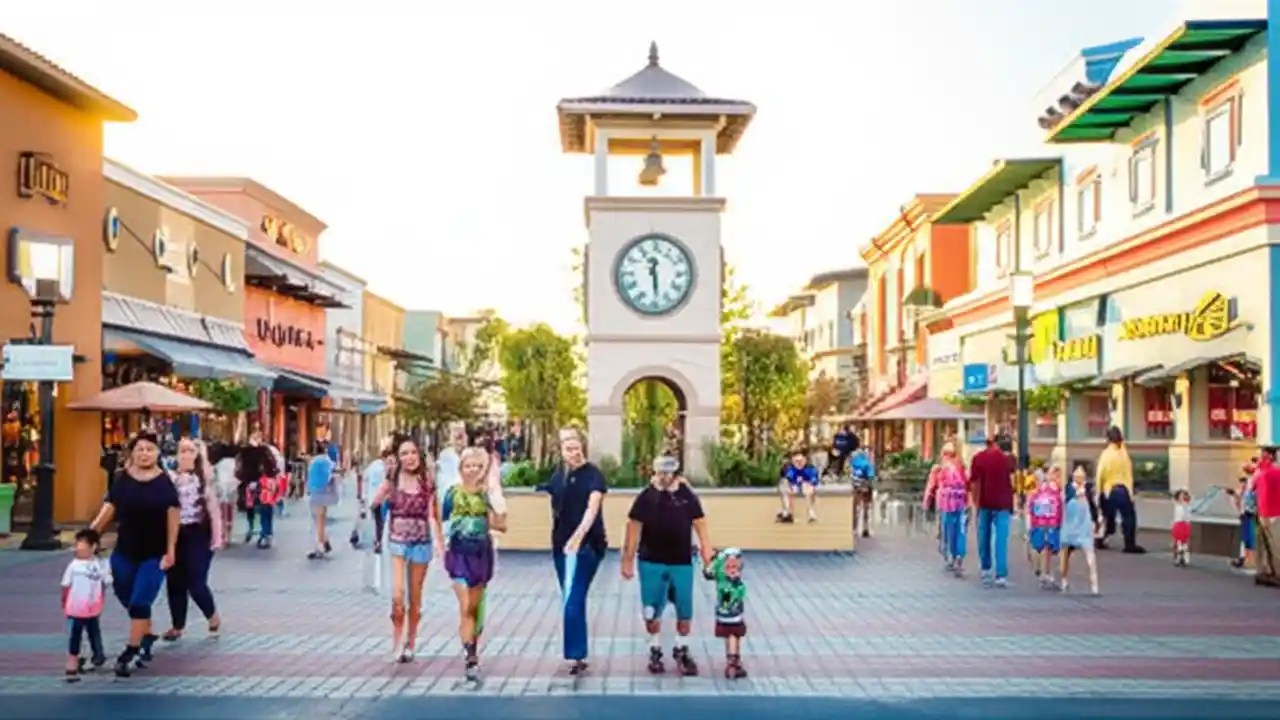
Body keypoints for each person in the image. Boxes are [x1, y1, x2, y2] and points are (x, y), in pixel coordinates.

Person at [89, 429, 180, 677]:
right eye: (140, 449)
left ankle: (130, 651)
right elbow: (109, 508)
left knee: (141, 602)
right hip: (125, 551)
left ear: (157, 453)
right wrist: (91, 534)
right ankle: (146, 632)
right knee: (125, 593)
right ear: (133, 452)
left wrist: (170, 551)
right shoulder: (122, 479)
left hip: (154, 554)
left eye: (149, 449)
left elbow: (173, 517)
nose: (144, 453)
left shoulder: (164, 482)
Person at [621, 455, 713, 676]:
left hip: (681, 561)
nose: (664, 477)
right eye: (661, 473)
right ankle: (655, 649)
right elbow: (633, 529)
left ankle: (682, 649)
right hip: (651, 561)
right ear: (654, 472)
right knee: (651, 611)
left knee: (684, 610)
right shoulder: (646, 497)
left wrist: (706, 550)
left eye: (668, 473)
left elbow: (700, 523)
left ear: (675, 473)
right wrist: (627, 560)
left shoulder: (686, 496)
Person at [368, 436, 442, 662]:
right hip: (397, 541)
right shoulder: (392, 479)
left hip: (421, 541)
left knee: (415, 598)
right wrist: (379, 496)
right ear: (397, 459)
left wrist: (440, 541)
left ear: (419, 455)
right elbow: (374, 503)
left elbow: (433, 513)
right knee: (398, 595)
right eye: (404, 454)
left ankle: (410, 643)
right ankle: (396, 642)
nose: (409, 458)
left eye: (412, 453)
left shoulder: (427, 480)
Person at [544, 427, 608, 675]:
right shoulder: (558, 476)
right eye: (567, 446)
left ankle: (575, 654)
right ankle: (577, 653)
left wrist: (579, 536)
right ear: (560, 450)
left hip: (587, 546)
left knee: (573, 598)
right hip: (561, 546)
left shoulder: (593, 475)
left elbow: (593, 506)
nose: (573, 450)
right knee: (570, 597)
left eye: (575, 444)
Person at [442, 446, 505, 681]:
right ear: (461, 468)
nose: (473, 470)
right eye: (469, 466)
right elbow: (444, 520)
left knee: (475, 608)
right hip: (458, 553)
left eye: (478, 466)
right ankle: (470, 657)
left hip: (481, 552)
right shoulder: (452, 493)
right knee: (466, 605)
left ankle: (472, 645)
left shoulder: (487, 494)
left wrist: (493, 503)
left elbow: (502, 524)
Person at [162, 439, 223, 641]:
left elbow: (214, 510)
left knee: (196, 581)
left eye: (191, 451)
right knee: (175, 580)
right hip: (174, 534)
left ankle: (212, 615)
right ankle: (177, 625)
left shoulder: (205, 477)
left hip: (199, 533)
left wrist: (217, 537)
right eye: (183, 451)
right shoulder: (169, 478)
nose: (186, 455)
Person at [61, 528, 111, 681]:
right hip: (76, 607)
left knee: (94, 631)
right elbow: (65, 585)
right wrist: (64, 603)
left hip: (92, 607)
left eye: (82, 545)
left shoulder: (100, 565)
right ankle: (73, 658)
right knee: (75, 633)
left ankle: (98, 654)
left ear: (93, 547)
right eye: (77, 545)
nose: (78, 548)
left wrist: (100, 600)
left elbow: (105, 583)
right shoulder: (73, 566)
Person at [969, 432, 1015, 588]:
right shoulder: (1007, 459)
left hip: (984, 502)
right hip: (1003, 503)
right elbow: (1013, 479)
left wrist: (975, 502)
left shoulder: (978, 459)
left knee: (984, 536)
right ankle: (1001, 574)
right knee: (1001, 539)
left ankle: (986, 569)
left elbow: (974, 482)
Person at [1097, 426, 1145, 553]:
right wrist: (1131, 492)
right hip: (1124, 490)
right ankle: (1130, 544)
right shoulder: (1124, 454)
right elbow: (1129, 473)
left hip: (1109, 490)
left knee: (1108, 517)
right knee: (1129, 517)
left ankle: (1101, 538)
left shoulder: (1106, 454)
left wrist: (1098, 492)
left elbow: (1100, 474)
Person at [703, 547, 747, 680]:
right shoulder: (733, 585)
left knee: (731, 637)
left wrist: (716, 560)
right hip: (732, 614)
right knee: (734, 635)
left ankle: (734, 659)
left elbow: (708, 572)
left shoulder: (721, 578)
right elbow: (732, 598)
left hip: (723, 614)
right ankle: (733, 661)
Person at [929, 443, 969, 577]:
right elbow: (968, 483)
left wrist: (928, 502)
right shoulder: (962, 466)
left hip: (946, 502)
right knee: (960, 531)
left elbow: (932, 485)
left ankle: (951, 557)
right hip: (961, 501)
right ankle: (959, 556)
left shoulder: (941, 468)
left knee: (948, 530)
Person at [1059, 466, 1100, 595]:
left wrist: (1096, 521)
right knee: (1066, 554)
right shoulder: (1069, 488)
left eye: (1081, 476)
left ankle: (1094, 584)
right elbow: (1067, 501)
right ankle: (1064, 580)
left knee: (1090, 554)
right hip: (1071, 525)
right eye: (1077, 475)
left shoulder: (1088, 488)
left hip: (1084, 525)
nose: (1079, 478)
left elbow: (1093, 505)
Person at [1027, 467, 1064, 589]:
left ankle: (1044, 572)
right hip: (1047, 522)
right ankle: (1044, 572)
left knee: (1045, 548)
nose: (1058, 479)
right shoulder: (1053, 491)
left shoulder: (1041, 491)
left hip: (1043, 522)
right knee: (1045, 548)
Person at [1252, 445, 1280, 586]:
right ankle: (1270, 572)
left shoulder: (1264, 472)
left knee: (1270, 545)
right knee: (1270, 544)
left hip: (1268, 512)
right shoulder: (1266, 471)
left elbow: (1258, 491)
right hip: (1269, 512)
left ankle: (1267, 572)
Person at [306, 442, 338, 560]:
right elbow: (333, 475)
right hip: (326, 494)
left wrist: (309, 490)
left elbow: (310, 479)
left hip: (316, 494)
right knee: (322, 519)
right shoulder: (328, 461)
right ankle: (324, 540)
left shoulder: (313, 463)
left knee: (317, 519)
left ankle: (320, 544)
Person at [776, 449, 820, 524]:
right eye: (796, 461)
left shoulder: (810, 469)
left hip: (806, 486)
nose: (798, 463)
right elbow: (788, 480)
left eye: (800, 460)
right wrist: (790, 488)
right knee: (784, 488)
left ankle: (811, 513)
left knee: (807, 488)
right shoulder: (790, 468)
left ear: (805, 459)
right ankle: (787, 512)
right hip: (795, 485)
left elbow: (813, 482)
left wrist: (809, 486)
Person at [209, 443, 238, 545]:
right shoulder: (235, 462)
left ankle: (223, 536)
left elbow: (213, 476)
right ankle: (229, 536)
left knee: (222, 514)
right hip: (232, 490)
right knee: (230, 512)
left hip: (221, 491)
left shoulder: (218, 464)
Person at [1230, 468, 1258, 569]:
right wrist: (1235, 495)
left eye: (1244, 482)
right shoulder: (1241, 492)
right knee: (1244, 538)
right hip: (1244, 516)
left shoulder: (1251, 492)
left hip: (1251, 515)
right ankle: (1242, 558)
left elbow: (1252, 502)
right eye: (1241, 482)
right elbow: (1237, 504)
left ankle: (1248, 560)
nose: (1243, 484)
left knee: (1249, 538)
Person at [849, 448, 876, 539]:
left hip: (857, 488)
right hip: (865, 488)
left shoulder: (853, 464)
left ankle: (855, 528)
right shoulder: (866, 464)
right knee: (866, 508)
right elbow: (871, 476)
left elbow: (851, 477)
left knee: (856, 508)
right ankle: (865, 528)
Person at [1171, 489, 1192, 567]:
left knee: (1184, 543)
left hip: (1185, 525)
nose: (1183, 497)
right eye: (1181, 496)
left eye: (1184, 495)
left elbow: (1188, 516)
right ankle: (1179, 557)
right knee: (1179, 542)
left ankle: (1184, 558)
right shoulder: (1178, 505)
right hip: (1179, 524)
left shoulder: (1187, 506)